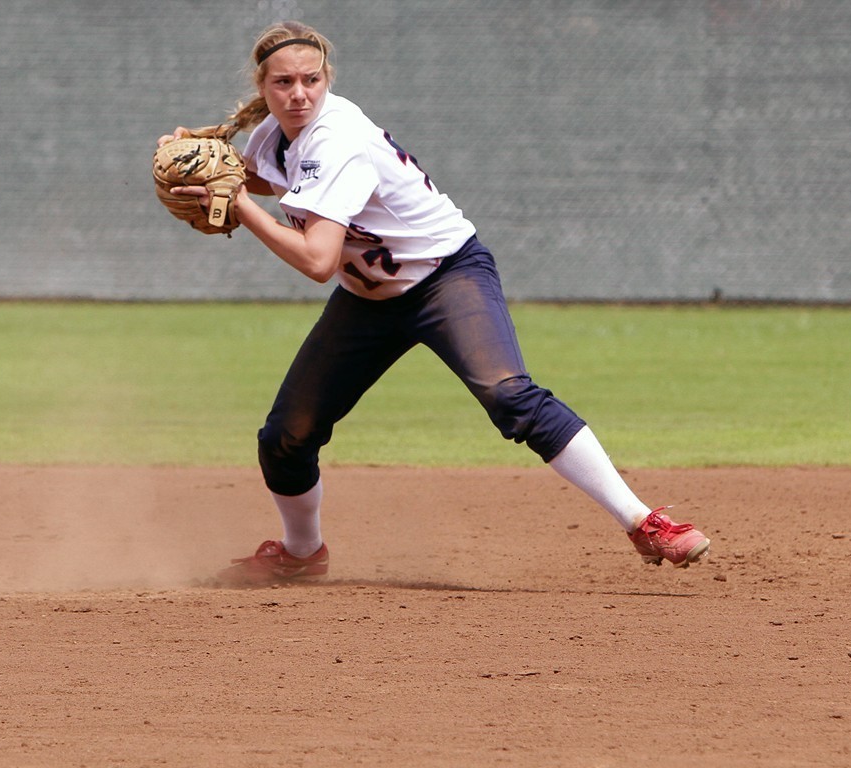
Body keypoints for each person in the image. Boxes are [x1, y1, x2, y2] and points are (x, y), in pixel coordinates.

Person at [158, 21, 710, 586]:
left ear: (328, 79)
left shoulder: (338, 140)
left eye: (311, 79)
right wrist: (199, 163)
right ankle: (302, 553)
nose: (299, 93)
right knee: (285, 435)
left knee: (510, 396)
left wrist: (240, 206)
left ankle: (644, 522)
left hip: (446, 278)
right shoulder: (272, 136)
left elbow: (317, 261)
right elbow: (262, 175)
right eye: (284, 83)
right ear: (264, 86)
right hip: (369, 299)